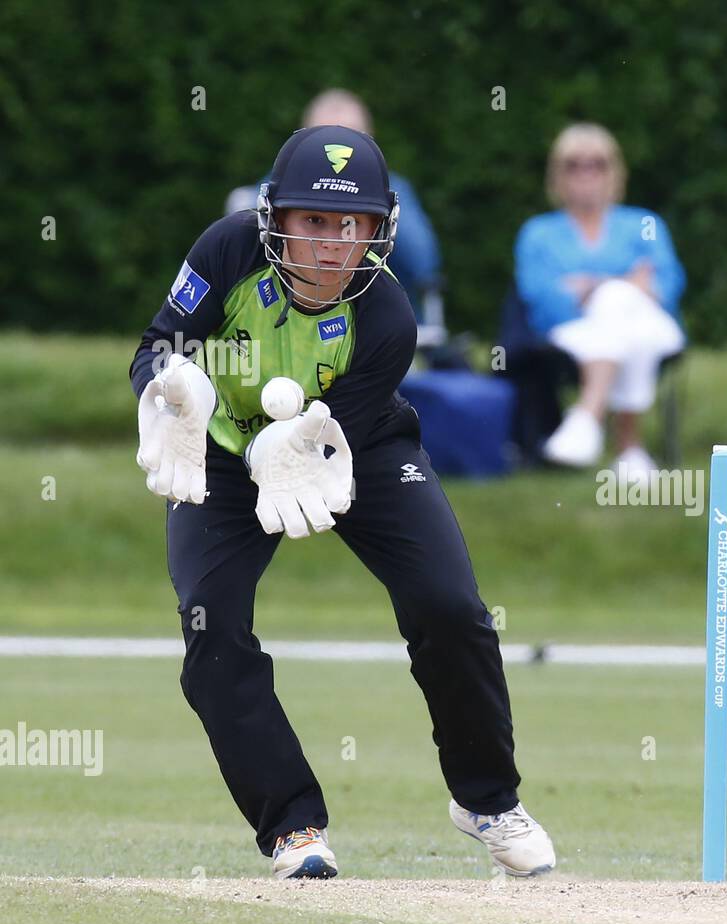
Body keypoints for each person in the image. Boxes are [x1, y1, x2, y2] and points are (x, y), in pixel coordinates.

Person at [131, 124, 554, 880]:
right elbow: (159, 346)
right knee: (211, 625)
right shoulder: (227, 251)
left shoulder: (387, 317)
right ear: (275, 218)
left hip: (351, 446)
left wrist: (283, 450)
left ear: (379, 230)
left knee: (450, 607)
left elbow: (328, 442)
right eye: (314, 221)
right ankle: (293, 825)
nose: (331, 245)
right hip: (216, 453)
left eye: (351, 225)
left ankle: (487, 798)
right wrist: (168, 395)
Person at [514, 123, 686, 475]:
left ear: (614, 171)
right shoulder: (538, 233)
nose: (586, 173)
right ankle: (629, 448)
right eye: (574, 165)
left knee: (616, 301)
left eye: (597, 164)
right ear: (558, 174)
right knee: (622, 313)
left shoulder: (644, 223)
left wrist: (595, 286)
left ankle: (586, 417)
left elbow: (667, 286)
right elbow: (541, 297)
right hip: (573, 331)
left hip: (649, 323)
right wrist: (627, 283)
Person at [225, 90, 448, 353]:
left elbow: (423, 259)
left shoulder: (390, 190)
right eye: (325, 140)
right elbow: (238, 226)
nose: (338, 153)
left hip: (367, 329)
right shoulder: (281, 185)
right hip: (282, 324)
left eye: (350, 140)